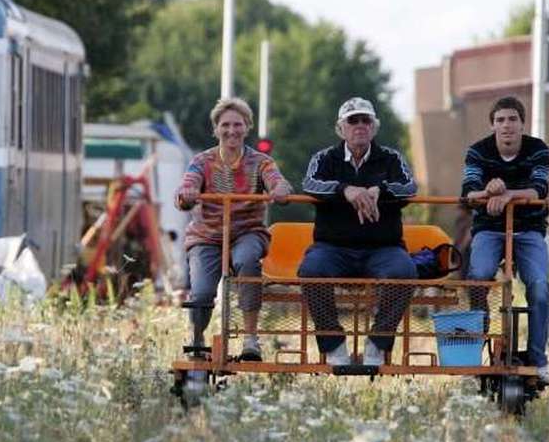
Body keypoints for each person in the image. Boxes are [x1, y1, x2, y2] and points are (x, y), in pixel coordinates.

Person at [298, 96, 418, 369]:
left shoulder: (391, 158)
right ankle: (333, 344)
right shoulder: (324, 158)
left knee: (405, 272)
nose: (360, 125)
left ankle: (378, 342)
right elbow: (309, 184)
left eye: (366, 120)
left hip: (383, 248)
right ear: (341, 128)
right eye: (353, 120)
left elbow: (410, 188)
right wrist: (346, 190)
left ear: (374, 127)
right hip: (332, 247)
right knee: (311, 271)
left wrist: (380, 190)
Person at [176, 96, 292, 361]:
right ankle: (197, 338)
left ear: (247, 127)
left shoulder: (261, 162)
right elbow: (186, 190)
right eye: (225, 125)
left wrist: (280, 189)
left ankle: (251, 339)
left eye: (237, 125)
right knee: (203, 291)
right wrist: (189, 193)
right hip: (208, 235)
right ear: (216, 129)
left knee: (247, 262)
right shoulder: (202, 162)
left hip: (247, 232)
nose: (231, 131)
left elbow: (277, 182)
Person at [462, 96, 549, 385]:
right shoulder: (478, 151)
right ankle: (476, 350)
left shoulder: (538, 149)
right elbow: (468, 193)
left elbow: (539, 190)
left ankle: (538, 360)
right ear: (492, 125)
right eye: (500, 120)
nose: (506, 126)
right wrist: (488, 191)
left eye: (512, 119)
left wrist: (508, 195)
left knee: (539, 287)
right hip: (489, 229)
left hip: (528, 229)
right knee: (477, 278)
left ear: (522, 124)